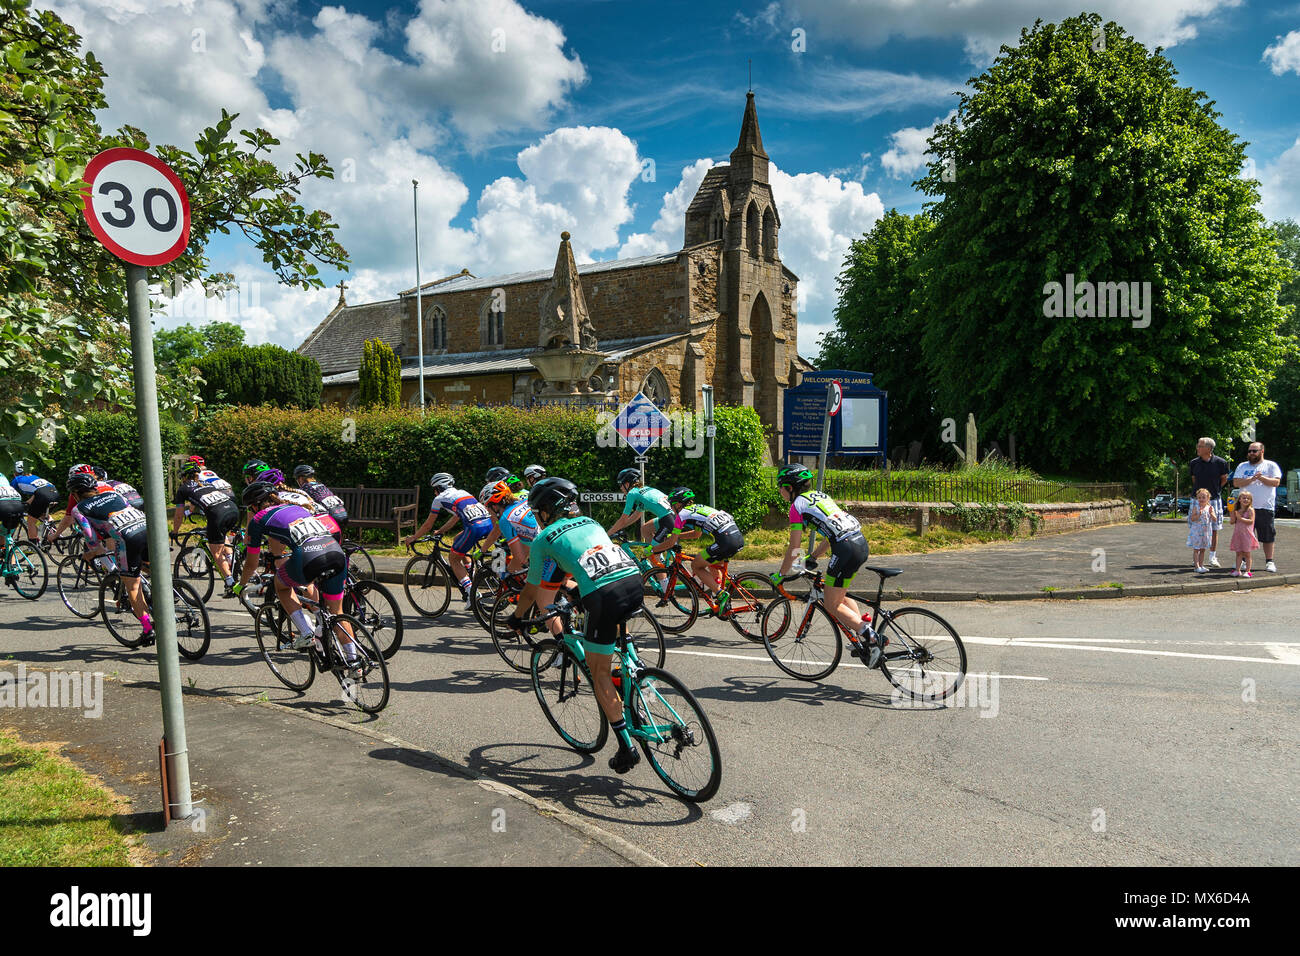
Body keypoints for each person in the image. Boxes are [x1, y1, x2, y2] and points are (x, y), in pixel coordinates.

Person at [507, 477, 645, 775]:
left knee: (599, 674)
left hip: (603, 595)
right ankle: (637, 678)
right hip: (632, 581)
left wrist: (517, 617)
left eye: (536, 512)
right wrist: (571, 587)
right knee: (616, 639)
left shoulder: (544, 540)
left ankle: (626, 747)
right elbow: (579, 562)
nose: (536, 517)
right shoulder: (591, 522)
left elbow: (533, 590)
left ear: (546, 510)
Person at [232, 481, 358, 668]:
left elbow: (251, 563)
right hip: (334, 550)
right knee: (336, 613)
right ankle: (354, 662)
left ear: (254, 505)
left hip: (308, 556)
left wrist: (241, 585)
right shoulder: (295, 507)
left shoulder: (258, 519)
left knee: (281, 585)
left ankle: (306, 632)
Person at [774, 464, 884, 665]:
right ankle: (863, 635)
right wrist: (813, 557)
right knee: (837, 593)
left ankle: (871, 636)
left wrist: (782, 574)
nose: (779, 491)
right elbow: (831, 534)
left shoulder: (796, 506)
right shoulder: (821, 497)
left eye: (781, 486)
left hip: (845, 549)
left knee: (831, 603)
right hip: (859, 543)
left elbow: (794, 546)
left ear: (790, 487)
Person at [67, 471, 153, 642]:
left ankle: (147, 629)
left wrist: (91, 552)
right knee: (148, 567)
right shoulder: (113, 493)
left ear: (75, 494)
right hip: (148, 529)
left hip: (128, 538)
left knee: (132, 585)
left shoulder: (78, 509)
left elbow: (91, 539)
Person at [403, 473, 493, 605]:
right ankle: (472, 576)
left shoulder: (439, 498)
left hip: (473, 528)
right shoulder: (463, 492)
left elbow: (428, 525)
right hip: (489, 524)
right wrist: (441, 531)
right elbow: (456, 517)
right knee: (457, 540)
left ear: (438, 488)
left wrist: (413, 538)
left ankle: (471, 593)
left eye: (434, 489)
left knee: (453, 558)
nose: (434, 493)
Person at [652, 487, 745, 613]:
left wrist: (653, 550)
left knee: (696, 565)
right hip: (737, 537)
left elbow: (671, 543)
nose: (671, 508)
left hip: (725, 541)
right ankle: (721, 603)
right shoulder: (700, 508)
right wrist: (677, 536)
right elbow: (696, 534)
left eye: (672, 505)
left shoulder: (682, 515)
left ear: (678, 504)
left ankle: (720, 594)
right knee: (712, 563)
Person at [172, 461, 241, 591]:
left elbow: (178, 515)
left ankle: (231, 583)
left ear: (185, 476)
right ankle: (233, 563)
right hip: (233, 509)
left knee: (216, 552)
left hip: (218, 515)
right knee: (222, 538)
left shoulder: (183, 489)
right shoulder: (207, 483)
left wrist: (175, 532)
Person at [1232, 442, 1282, 572]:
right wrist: (1251, 479)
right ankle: (1242, 561)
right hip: (1244, 509)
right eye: (1249, 451)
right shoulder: (1242, 466)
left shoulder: (1271, 465)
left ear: (1262, 451)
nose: (1251, 453)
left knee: (1267, 535)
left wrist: (1262, 478)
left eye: (1254, 451)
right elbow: (1236, 482)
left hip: (1265, 507)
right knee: (1244, 535)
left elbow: (1276, 482)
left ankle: (1269, 561)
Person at [1188, 438, 1230, 567]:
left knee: (1214, 528)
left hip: (1214, 499)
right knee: (1196, 527)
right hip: (1197, 499)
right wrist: (1201, 495)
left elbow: (1224, 479)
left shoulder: (1221, 462)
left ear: (1208, 448)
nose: (1197, 448)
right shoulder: (1194, 463)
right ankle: (1197, 557)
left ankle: (1212, 557)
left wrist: (1213, 491)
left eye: (1200, 446)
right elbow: (1194, 480)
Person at [607, 468, 674, 548]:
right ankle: (659, 558)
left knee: (650, 552)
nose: (620, 488)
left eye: (620, 484)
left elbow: (623, 520)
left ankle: (656, 555)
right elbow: (636, 515)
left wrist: (607, 534)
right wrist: (620, 527)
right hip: (673, 516)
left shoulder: (632, 493)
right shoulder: (645, 490)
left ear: (627, 484)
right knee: (645, 529)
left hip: (668, 520)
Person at [293, 465, 349, 542]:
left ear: (300, 478)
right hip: (343, 514)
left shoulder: (304, 488)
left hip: (330, 518)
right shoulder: (321, 485)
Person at [10, 461, 60, 542]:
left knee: (31, 521)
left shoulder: (16, 480)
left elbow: (11, 497)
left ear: (15, 472)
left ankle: (33, 546)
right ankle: (54, 533)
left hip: (42, 495)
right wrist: (27, 503)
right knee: (43, 514)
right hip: (55, 492)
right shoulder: (34, 477)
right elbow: (37, 492)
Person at [1229, 491, 1259, 577]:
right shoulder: (1237, 510)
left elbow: (1251, 521)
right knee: (1238, 553)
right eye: (1244, 498)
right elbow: (1232, 522)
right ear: (1239, 499)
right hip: (1238, 534)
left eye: (1248, 498)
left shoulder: (1250, 510)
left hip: (1247, 535)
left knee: (1247, 553)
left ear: (1250, 500)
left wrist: (1240, 518)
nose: (1246, 500)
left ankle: (1248, 571)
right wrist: (1232, 513)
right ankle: (1237, 570)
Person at [1186, 488, 1213, 573]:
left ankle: (1201, 565)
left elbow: (1215, 519)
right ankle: (1197, 566)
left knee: (1203, 549)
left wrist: (1212, 514)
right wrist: (1198, 514)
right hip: (1197, 532)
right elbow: (1192, 518)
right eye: (1199, 497)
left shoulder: (1210, 508)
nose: (1201, 499)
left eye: (1203, 497)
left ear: (1208, 498)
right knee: (1196, 549)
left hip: (1205, 532)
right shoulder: (1196, 507)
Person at [0, 473, 28, 539]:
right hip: (18, 505)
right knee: (5, 532)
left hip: (3, 505)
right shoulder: (2, 476)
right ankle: (5, 547)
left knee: (4, 531)